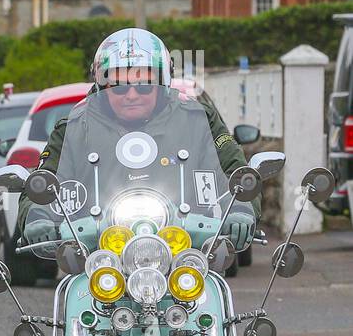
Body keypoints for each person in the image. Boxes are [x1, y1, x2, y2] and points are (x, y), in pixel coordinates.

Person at [21, 27, 254, 250]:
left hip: (188, 253)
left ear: (162, 84)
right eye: (119, 87)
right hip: (97, 256)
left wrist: (242, 208)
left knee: (214, 289)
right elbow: (44, 180)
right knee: (71, 291)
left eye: (143, 86)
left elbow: (233, 170)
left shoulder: (198, 119)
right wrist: (36, 215)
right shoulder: (75, 127)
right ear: (102, 85)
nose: (131, 95)